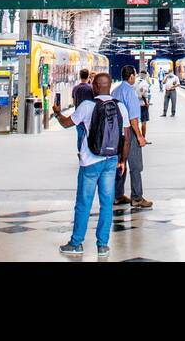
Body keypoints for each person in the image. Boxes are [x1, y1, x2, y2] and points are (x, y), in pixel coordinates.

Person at [51, 71, 130, 258]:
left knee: (84, 203)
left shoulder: (87, 105)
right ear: (110, 86)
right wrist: (122, 161)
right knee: (107, 204)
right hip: (111, 161)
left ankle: (76, 243)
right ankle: (103, 245)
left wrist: (57, 113)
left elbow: (66, 123)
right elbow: (126, 138)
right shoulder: (121, 107)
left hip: (90, 162)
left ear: (95, 86)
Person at [112, 66, 151, 209]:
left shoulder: (115, 91)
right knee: (135, 166)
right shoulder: (131, 93)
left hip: (116, 134)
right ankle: (137, 198)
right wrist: (140, 136)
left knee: (120, 164)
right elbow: (134, 118)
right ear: (131, 77)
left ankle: (117, 196)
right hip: (130, 134)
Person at [71, 69, 94, 151]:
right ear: (88, 76)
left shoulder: (75, 88)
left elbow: (74, 102)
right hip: (90, 118)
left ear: (80, 76)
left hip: (79, 117)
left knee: (80, 136)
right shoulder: (91, 88)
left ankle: (80, 153)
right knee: (90, 136)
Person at [135, 71, 152, 139]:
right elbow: (143, 94)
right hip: (142, 105)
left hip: (135, 104)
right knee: (143, 122)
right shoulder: (145, 83)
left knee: (134, 122)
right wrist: (146, 103)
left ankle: (136, 137)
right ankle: (143, 138)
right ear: (145, 75)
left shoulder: (135, 81)